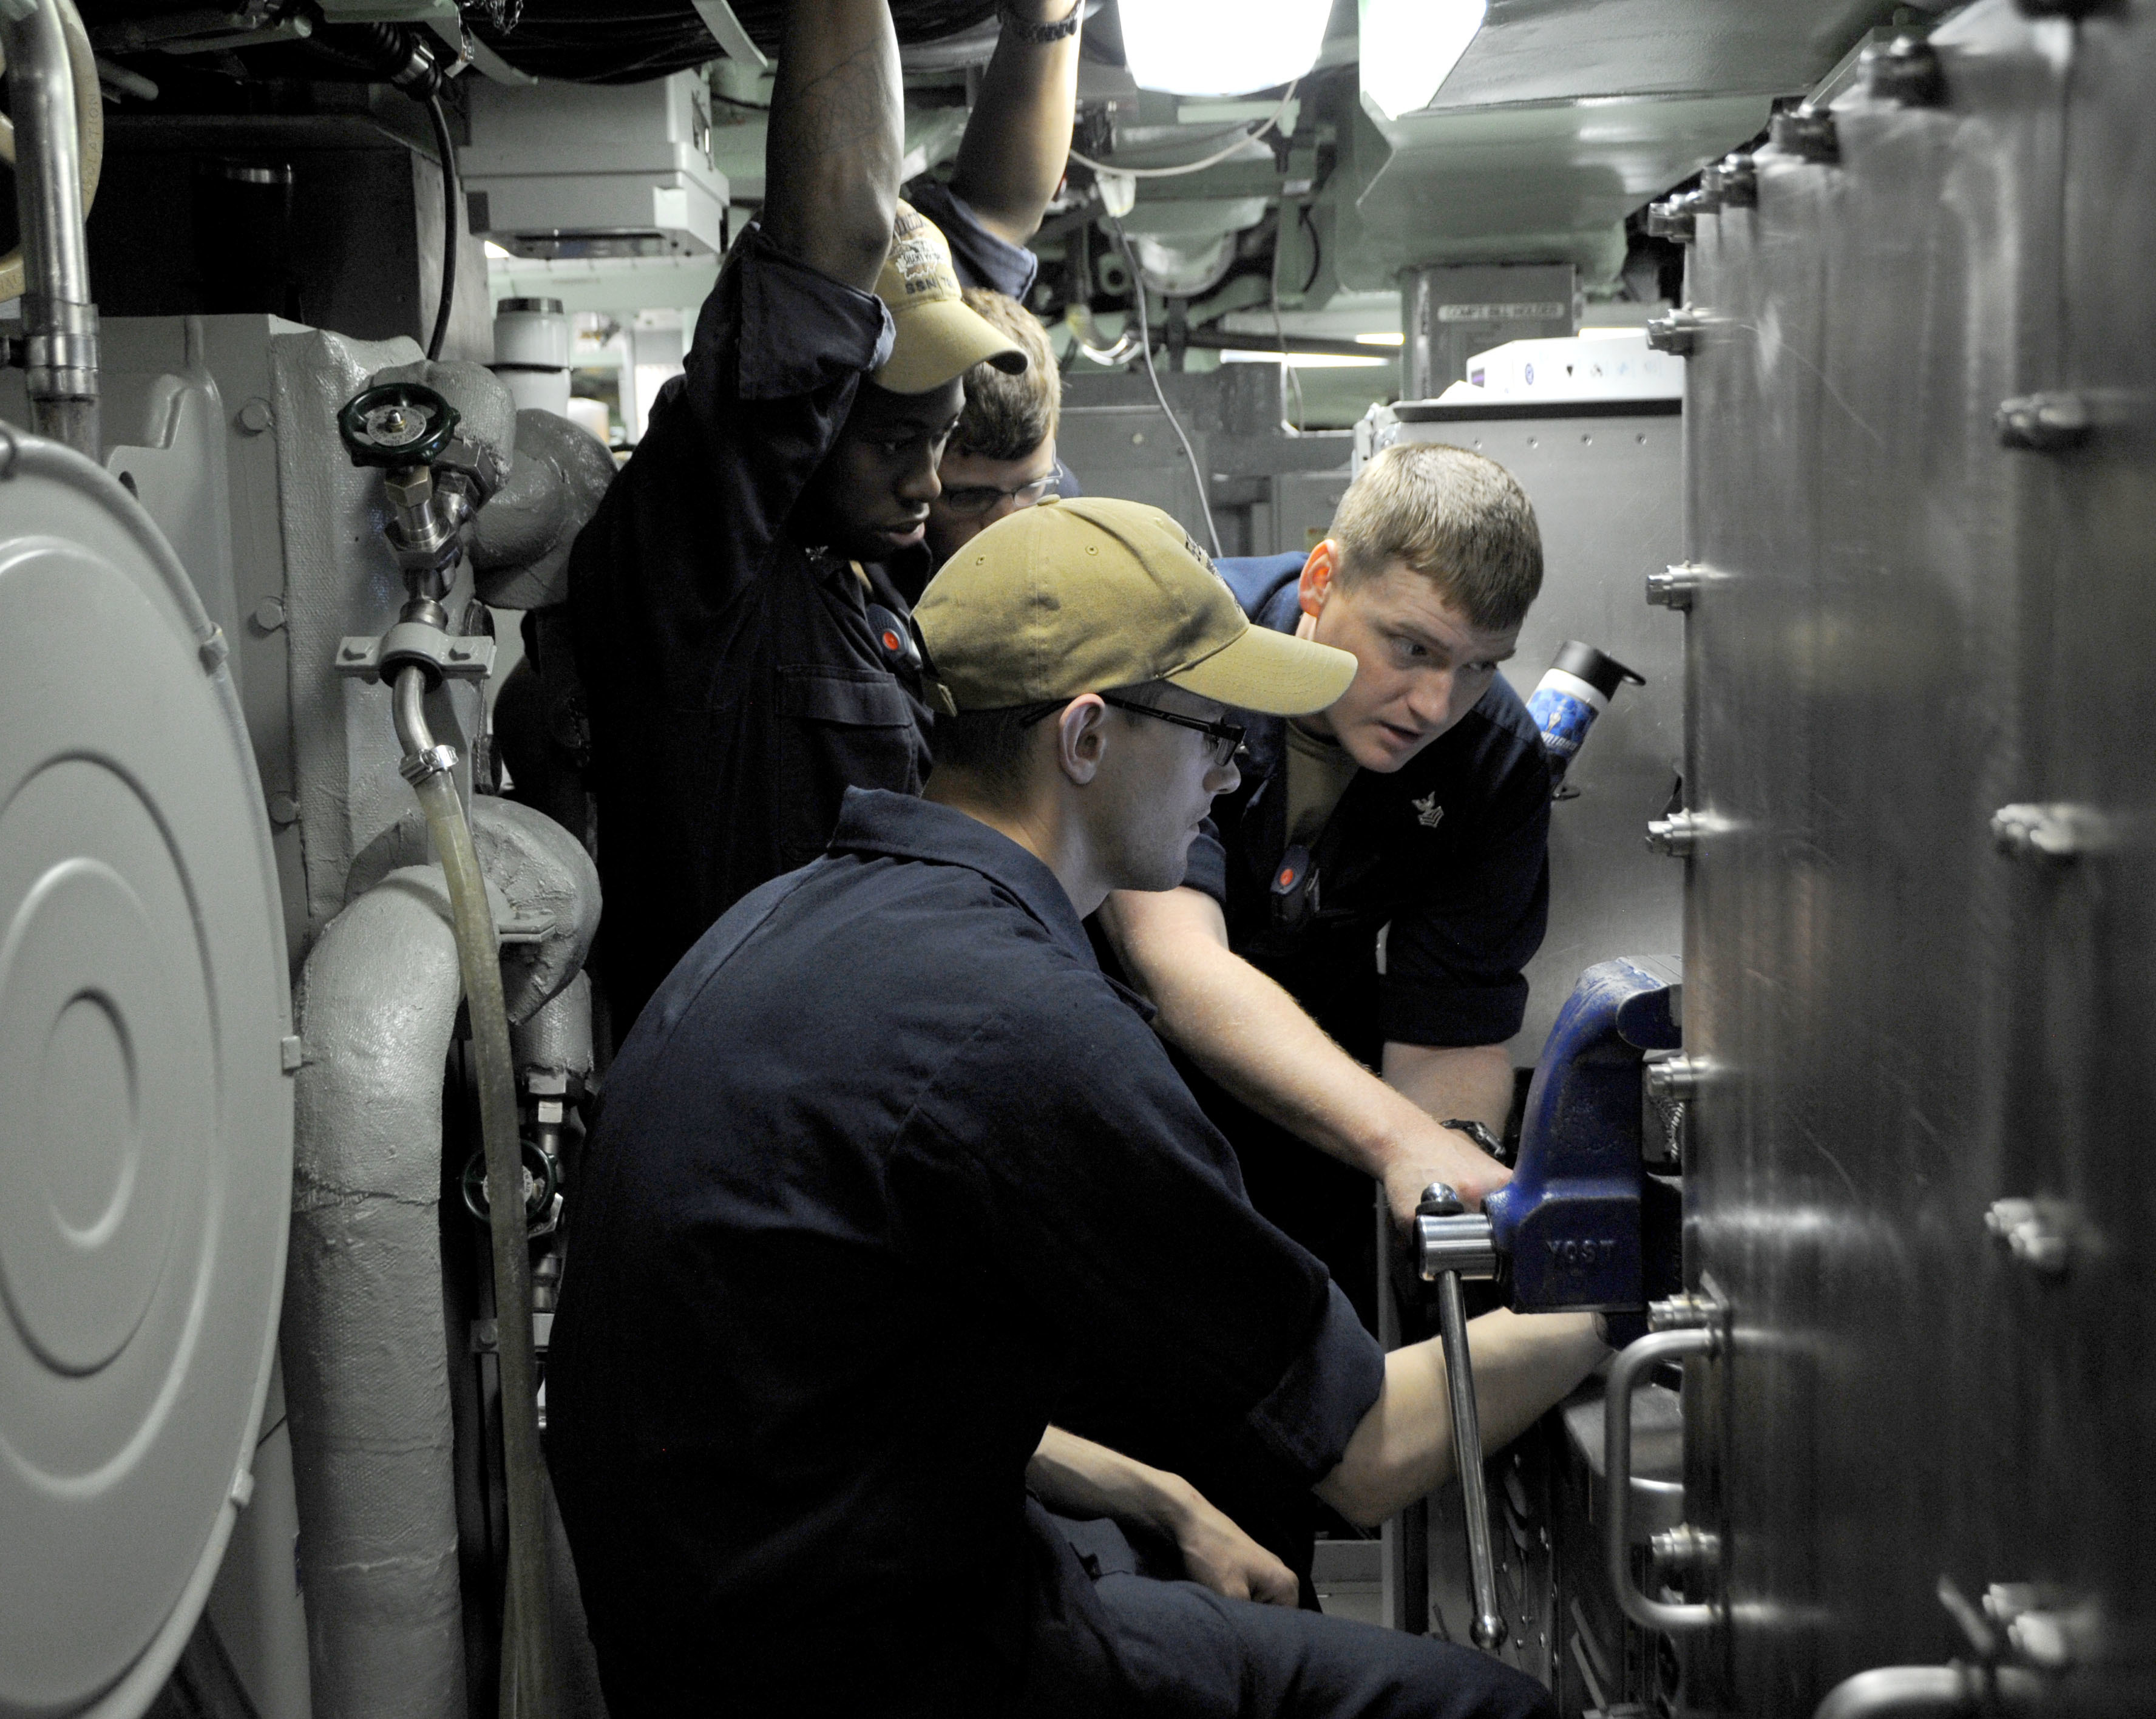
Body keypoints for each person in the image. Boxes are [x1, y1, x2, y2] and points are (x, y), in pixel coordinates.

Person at [546, 494, 1607, 1718]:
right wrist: (1616, 1307)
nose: (1228, 771)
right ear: (1088, 738)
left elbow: (837, 1388)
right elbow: (1368, 1458)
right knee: (1490, 1706)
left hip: (745, 1625)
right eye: (1211, 730)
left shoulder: (786, 921)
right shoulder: (1028, 1031)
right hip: (901, 1663)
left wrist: (1160, 1497)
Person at [562, 0, 1083, 1037]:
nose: (928, 487)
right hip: (743, 1107)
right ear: (811, 411)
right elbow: (839, 231)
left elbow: (1002, 207)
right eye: (896, 445)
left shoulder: (853, 563)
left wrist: (1046, 25)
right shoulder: (702, 568)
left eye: (939, 445)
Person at [1099, 444, 1553, 1335]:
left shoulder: (1494, 759)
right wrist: (1396, 1136)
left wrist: (1442, 1176)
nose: (1435, 703)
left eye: (1478, 665)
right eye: (1411, 647)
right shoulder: (1187, 650)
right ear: (1320, 581)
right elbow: (1174, 961)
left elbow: (1448, 1032)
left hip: (1317, 1117)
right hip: (1122, 1099)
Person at [921, 286, 1065, 576]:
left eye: (1031, 488)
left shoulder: (1067, 503)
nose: (1006, 527)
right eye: (971, 497)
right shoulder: (866, 564)